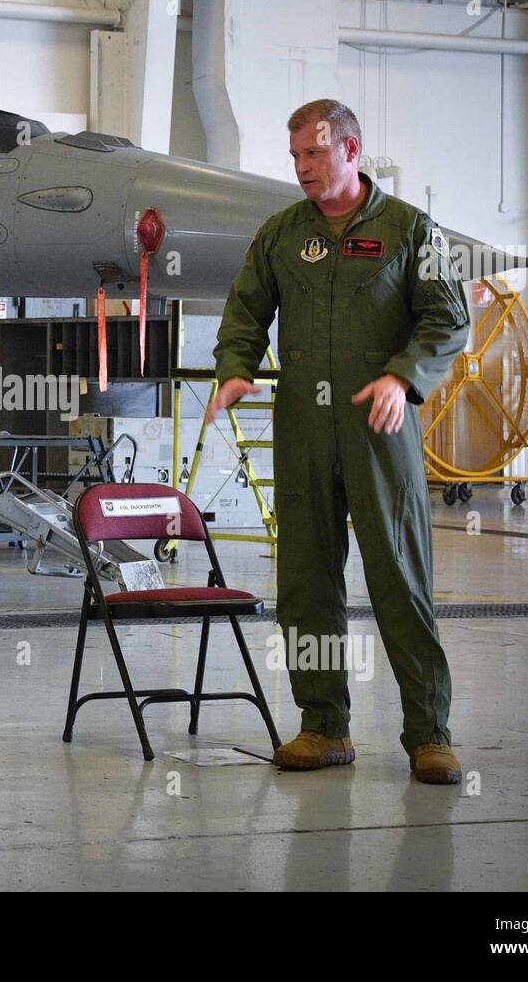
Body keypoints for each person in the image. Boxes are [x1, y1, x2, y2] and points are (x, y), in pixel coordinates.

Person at [208, 99, 470, 784]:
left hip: (380, 429)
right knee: (305, 583)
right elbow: (244, 311)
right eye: (296, 155)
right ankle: (323, 725)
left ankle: (429, 734)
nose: (302, 168)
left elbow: (447, 319)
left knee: (400, 578)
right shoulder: (280, 234)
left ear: (351, 150)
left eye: (314, 153)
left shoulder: (411, 230)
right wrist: (235, 368)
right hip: (302, 429)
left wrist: (403, 377)